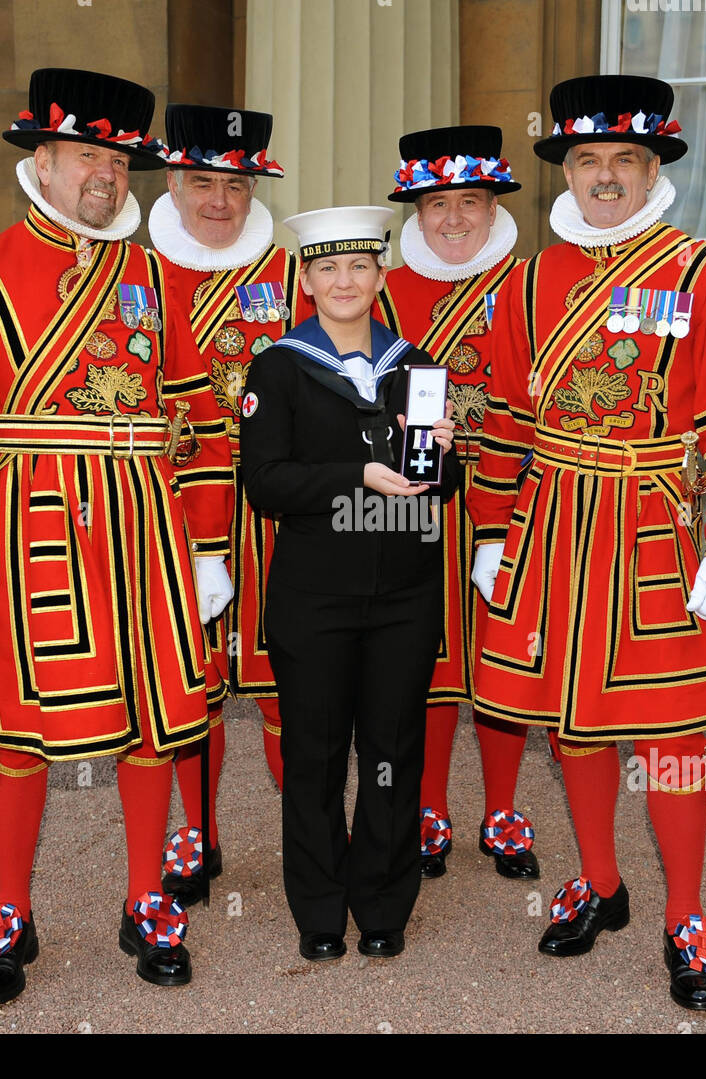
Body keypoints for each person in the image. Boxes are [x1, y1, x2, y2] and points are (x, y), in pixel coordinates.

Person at [0, 68, 234, 1004]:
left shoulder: (151, 277)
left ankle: (146, 898)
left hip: (144, 527)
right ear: (43, 160)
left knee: (149, 716)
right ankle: (11, 908)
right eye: (87, 155)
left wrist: (211, 544)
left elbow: (194, 416)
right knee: (22, 729)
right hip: (30, 530)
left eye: (119, 160)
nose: (105, 175)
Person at [467, 74, 706, 1010]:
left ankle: (687, 912)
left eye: (624, 161)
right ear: (566, 168)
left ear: (653, 169)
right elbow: (508, 421)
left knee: (675, 730)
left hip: (651, 526)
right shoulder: (527, 280)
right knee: (573, 717)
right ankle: (603, 881)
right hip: (551, 524)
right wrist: (489, 526)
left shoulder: (704, 272)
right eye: (588, 160)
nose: (605, 177)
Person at [241, 207, 459, 962]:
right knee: (316, 754)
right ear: (305, 279)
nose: (345, 281)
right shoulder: (278, 367)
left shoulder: (416, 364)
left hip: (403, 590)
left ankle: (384, 901)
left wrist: (444, 453)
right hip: (315, 592)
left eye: (360, 267)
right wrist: (356, 475)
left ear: (380, 275)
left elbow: (439, 484)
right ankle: (320, 909)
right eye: (328, 268)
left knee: (395, 750)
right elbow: (264, 482)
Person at [149, 104, 312, 907]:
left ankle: (305, 836)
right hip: (176, 512)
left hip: (284, 514)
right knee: (192, 680)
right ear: (175, 183)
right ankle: (197, 830)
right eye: (203, 182)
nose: (220, 200)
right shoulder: (132, 273)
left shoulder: (297, 276)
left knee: (291, 676)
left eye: (236, 183)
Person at [376, 125, 544, 883]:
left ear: (491, 205)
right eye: (437, 202)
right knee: (427, 658)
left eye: (468, 202)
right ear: (416, 209)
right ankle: (430, 806)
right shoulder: (380, 287)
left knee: (502, 651)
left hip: (516, 491)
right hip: (414, 494)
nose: (452, 218)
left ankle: (503, 808)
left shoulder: (535, 283)